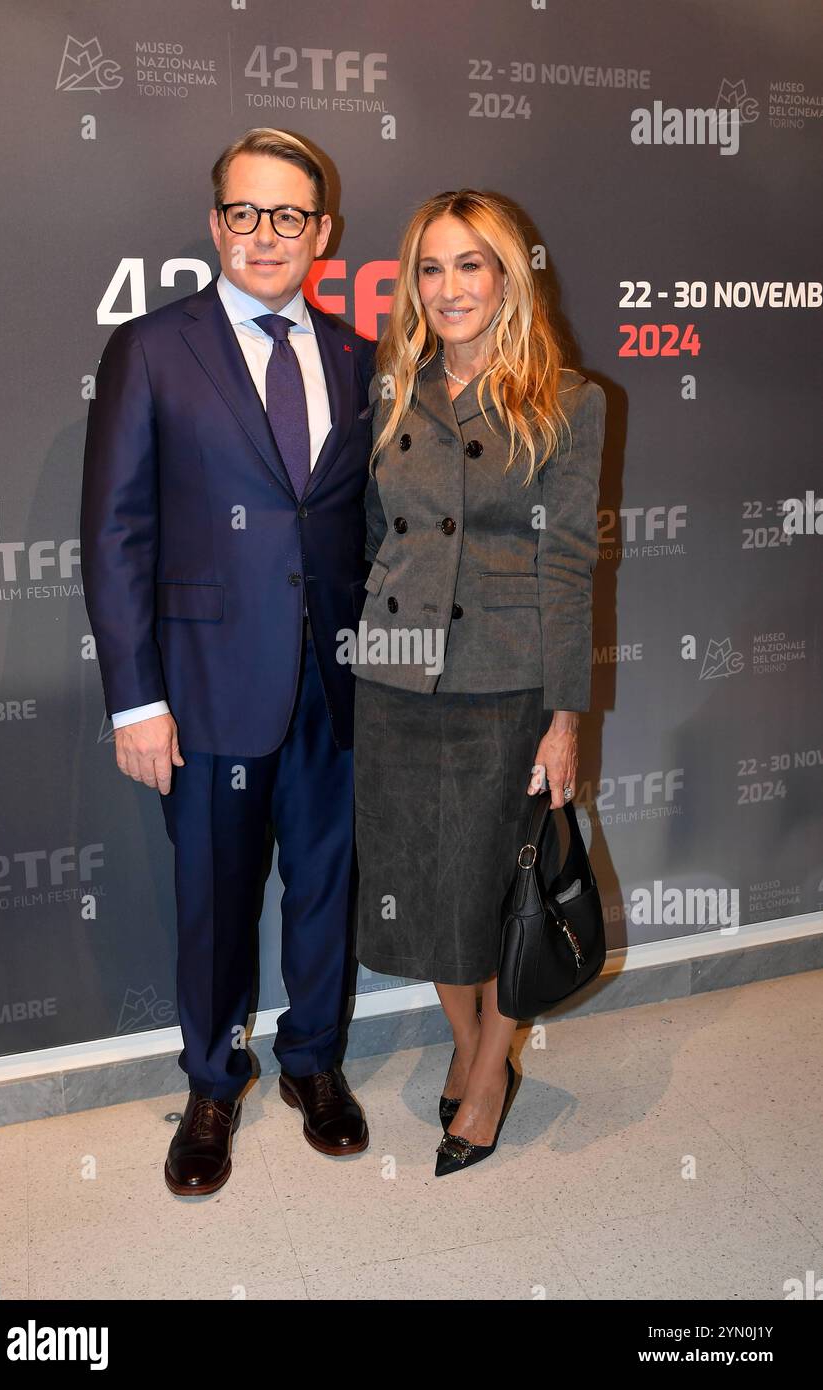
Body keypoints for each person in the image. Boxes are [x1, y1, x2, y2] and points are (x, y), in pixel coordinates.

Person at [81, 128, 376, 1197]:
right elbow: (115, 532)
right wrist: (136, 698)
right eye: (243, 213)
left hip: (336, 687)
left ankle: (313, 1062)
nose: (264, 234)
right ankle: (211, 1083)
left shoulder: (354, 355)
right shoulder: (152, 349)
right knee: (213, 894)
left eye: (287, 216)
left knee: (323, 889)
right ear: (215, 224)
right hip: (202, 691)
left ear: (321, 233)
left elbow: (360, 526)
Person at [351, 189, 606, 1176]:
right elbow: (374, 537)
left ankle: (491, 1069)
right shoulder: (390, 387)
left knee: (497, 891)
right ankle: (468, 1043)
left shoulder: (567, 400)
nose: (449, 286)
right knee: (422, 895)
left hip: (503, 686)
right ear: (411, 283)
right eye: (430, 266)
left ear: (507, 277)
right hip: (394, 680)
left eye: (470, 264)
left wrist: (562, 719)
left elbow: (568, 565)